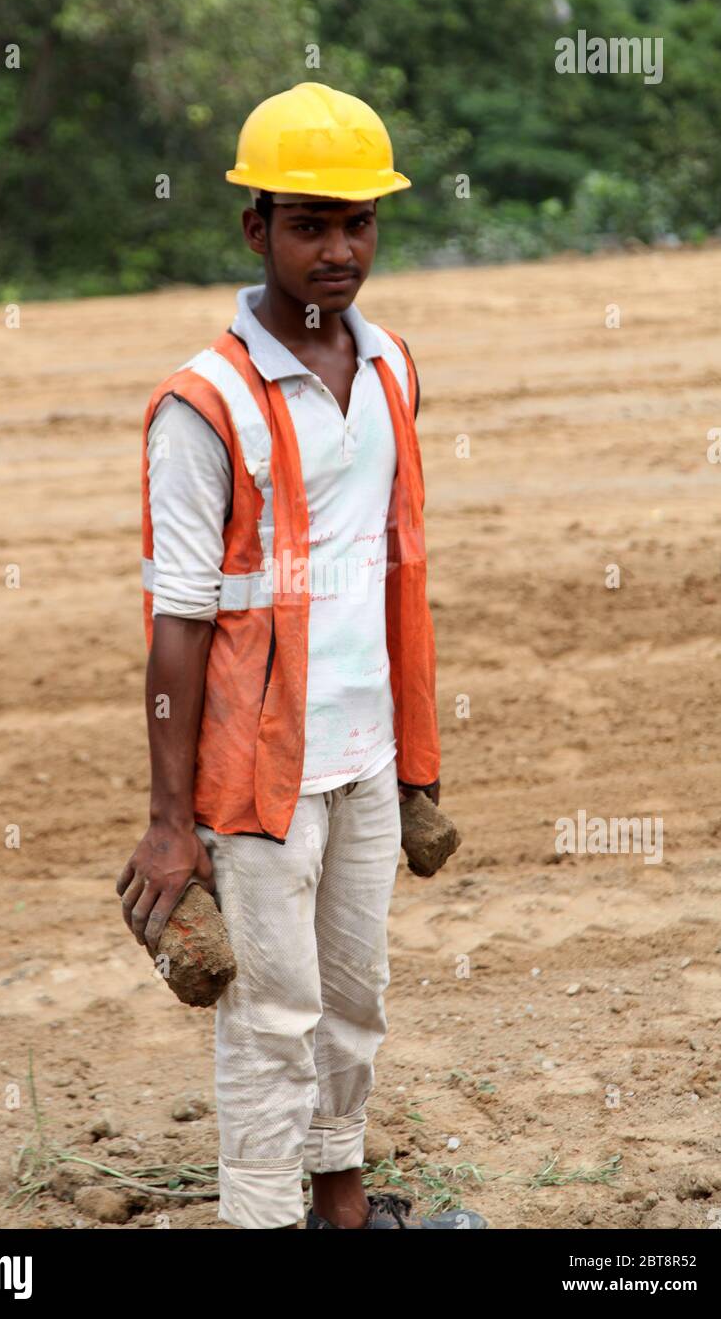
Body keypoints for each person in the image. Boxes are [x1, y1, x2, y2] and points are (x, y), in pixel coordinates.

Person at [117, 81, 487, 1231]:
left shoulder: (388, 372)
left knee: (352, 1005)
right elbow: (177, 624)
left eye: (357, 222)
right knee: (270, 1021)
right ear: (255, 228)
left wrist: (414, 765)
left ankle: (342, 1209)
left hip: (366, 756)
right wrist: (173, 820)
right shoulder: (203, 404)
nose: (337, 250)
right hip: (256, 777)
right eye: (308, 224)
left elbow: (395, 575)